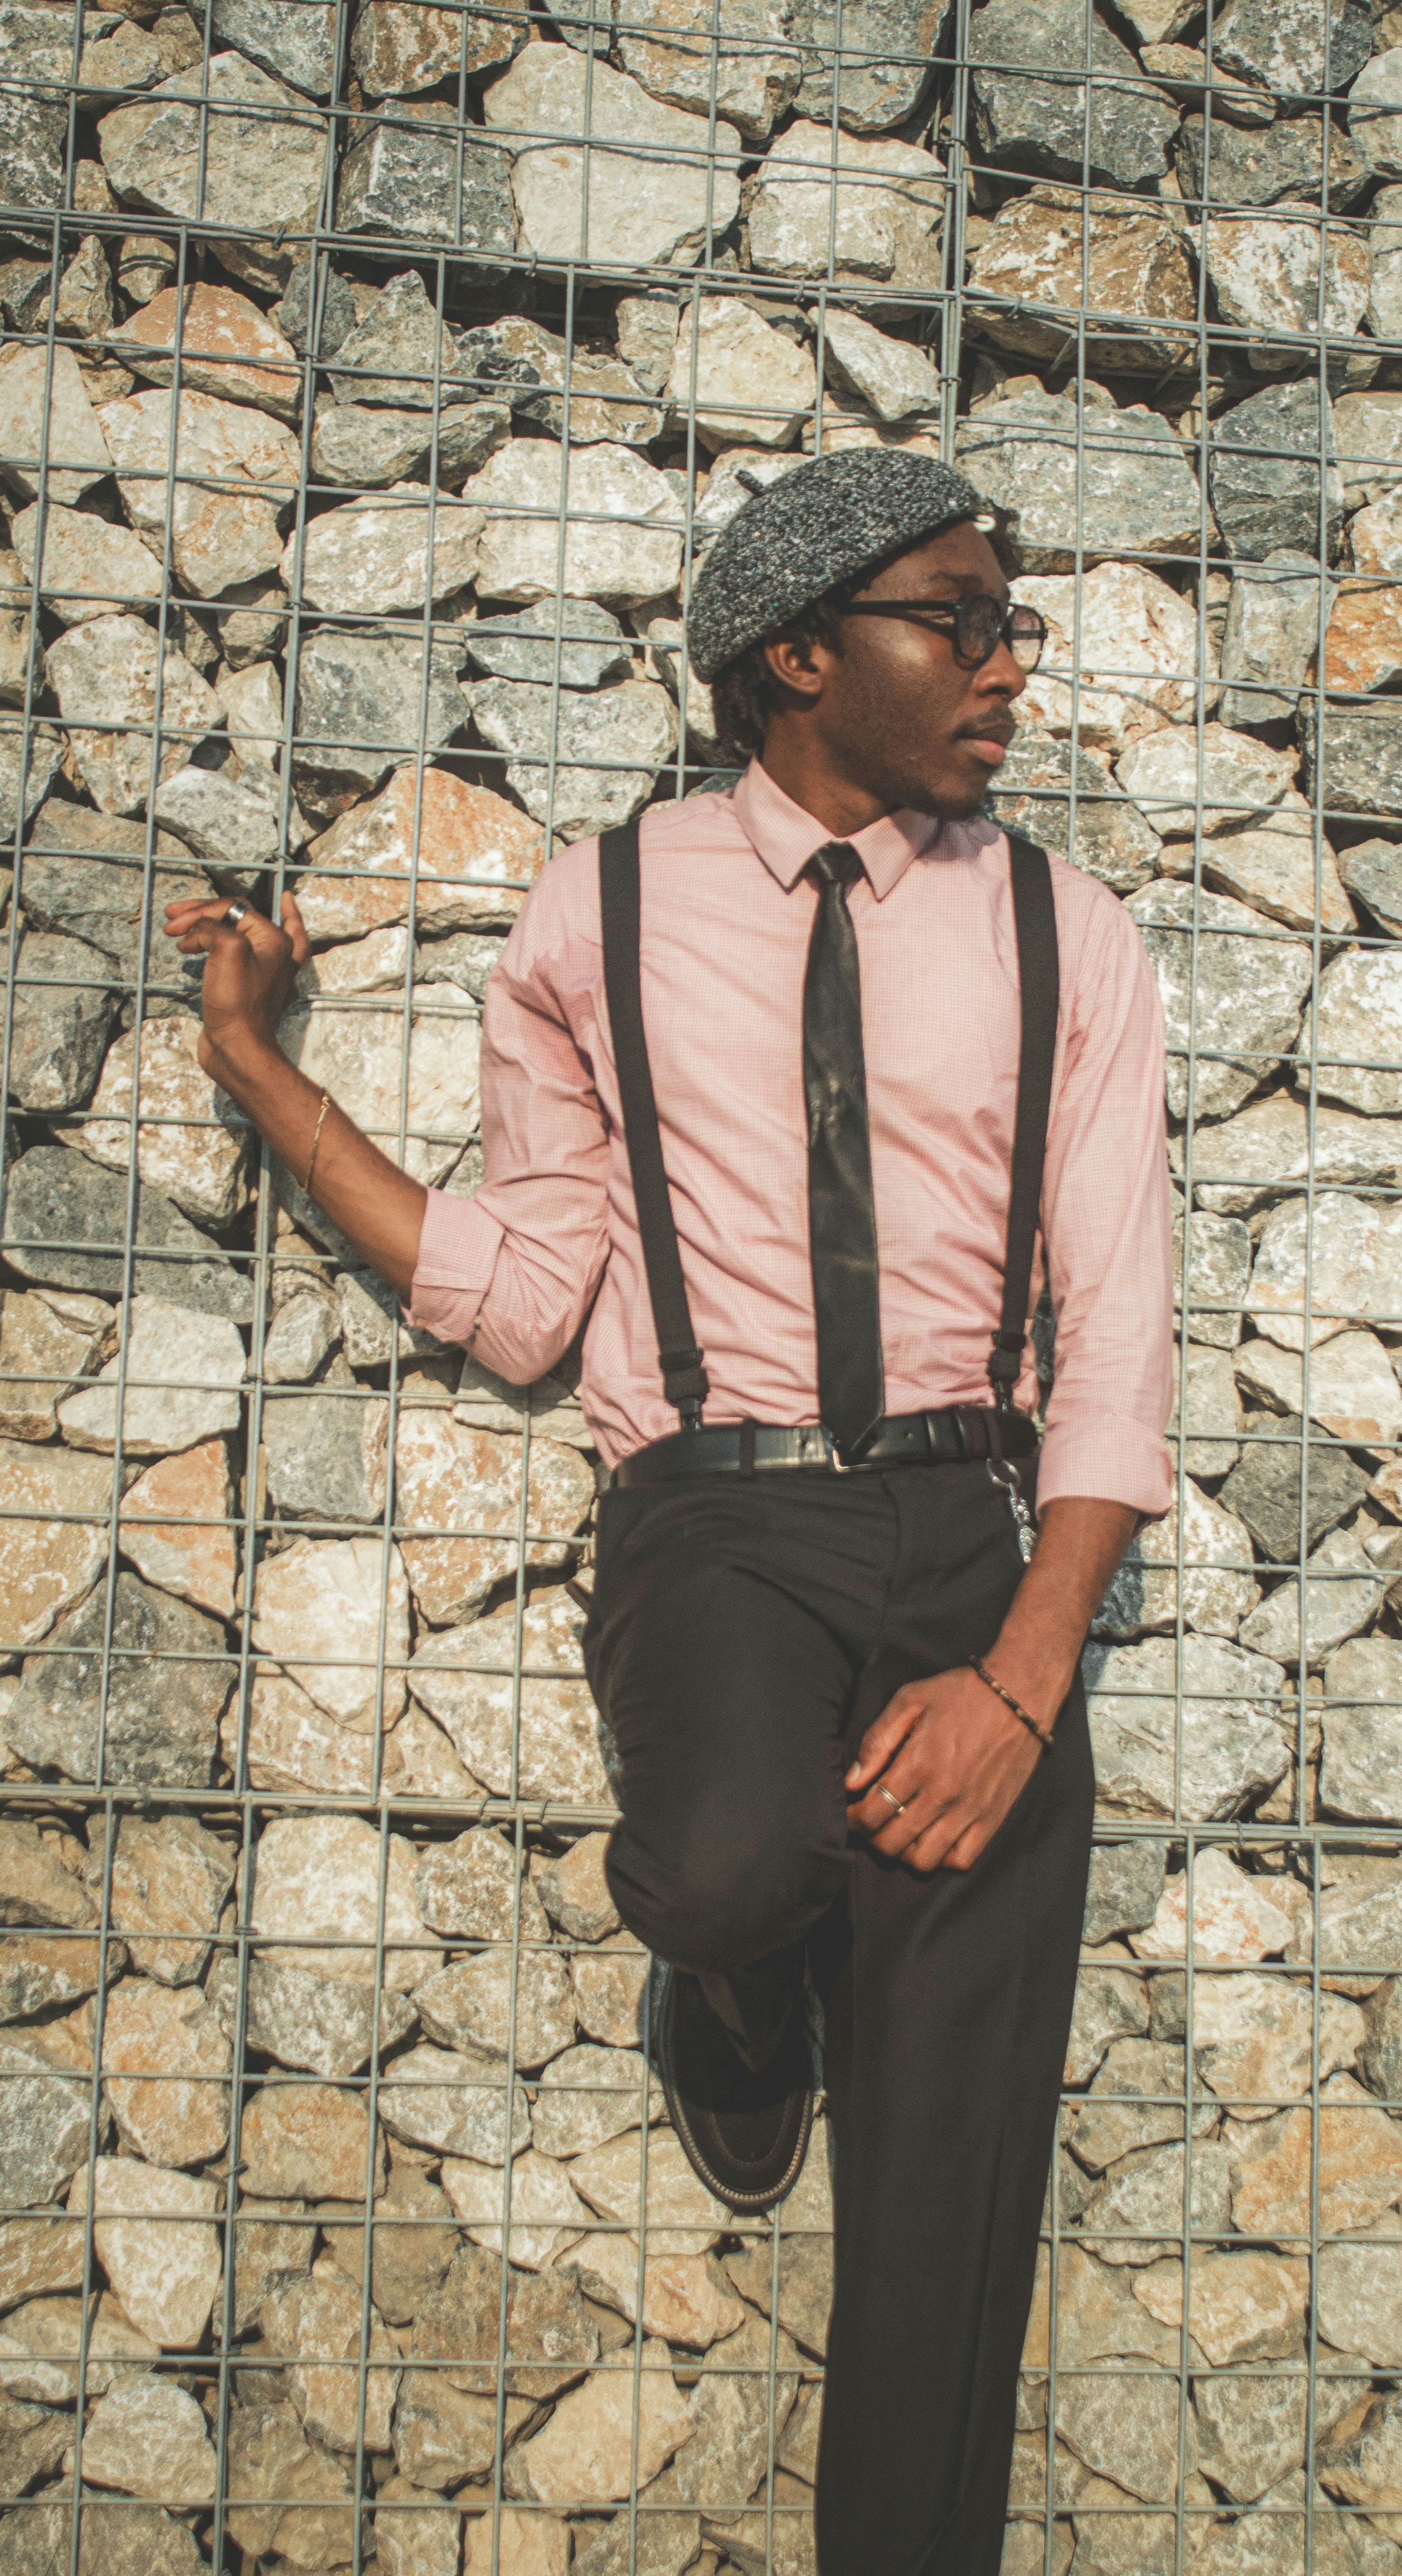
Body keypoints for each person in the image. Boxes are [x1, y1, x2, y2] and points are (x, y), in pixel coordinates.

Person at [168, 445, 1173, 2575]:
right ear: (799, 654)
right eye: (962, 619)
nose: (1008, 664)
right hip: (717, 1528)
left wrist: (1021, 1679)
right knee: (723, 1868)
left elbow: (1119, 1329)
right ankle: (732, 1999)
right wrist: (261, 1068)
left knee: (948, 2205)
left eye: (1009, 622)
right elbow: (532, 1291)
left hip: (976, 1532)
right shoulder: (597, 911)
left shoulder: (1065, 929)